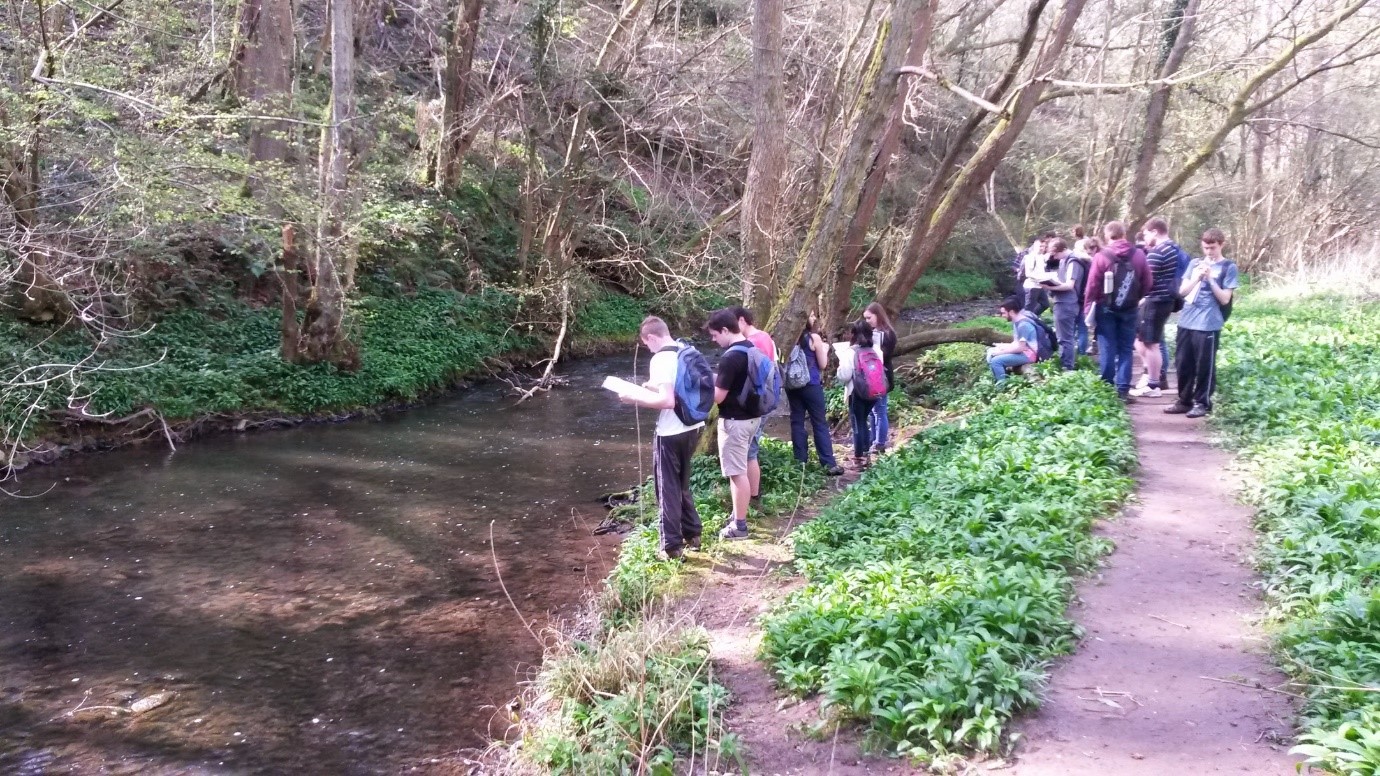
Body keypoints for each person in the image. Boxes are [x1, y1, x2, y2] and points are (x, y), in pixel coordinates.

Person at [618, 317, 704, 560]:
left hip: (670, 432)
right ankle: (693, 534)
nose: (648, 349)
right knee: (682, 483)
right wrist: (652, 387)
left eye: (647, 344)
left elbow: (667, 401)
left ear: (652, 337)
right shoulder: (685, 350)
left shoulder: (660, 359)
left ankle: (671, 547)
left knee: (667, 488)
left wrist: (634, 398)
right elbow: (679, 389)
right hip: (693, 426)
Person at [1165, 228, 1238, 418]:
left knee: (1204, 365)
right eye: (1206, 248)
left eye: (1213, 248)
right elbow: (1182, 292)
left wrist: (1211, 280)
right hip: (1187, 320)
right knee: (1183, 363)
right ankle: (1184, 400)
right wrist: (1197, 277)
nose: (1209, 252)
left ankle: (1202, 403)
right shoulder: (1194, 263)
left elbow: (1225, 299)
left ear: (1221, 245)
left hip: (1208, 323)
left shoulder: (1228, 267)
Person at [706, 308, 764, 540]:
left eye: (714, 335)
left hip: (735, 422)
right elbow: (737, 382)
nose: (714, 340)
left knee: (736, 473)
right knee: (748, 461)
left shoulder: (730, 357)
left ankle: (739, 526)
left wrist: (700, 384)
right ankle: (743, 511)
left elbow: (719, 397)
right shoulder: (751, 348)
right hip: (753, 418)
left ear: (724, 330)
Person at [1082, 220, 1153, 400]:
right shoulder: (1139, 255)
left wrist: (1088, 308)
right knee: (1126, 349)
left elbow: (1092, 285)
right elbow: (1148, 282)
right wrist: (1136, 298)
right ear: (1124, 234)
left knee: (1107, 347)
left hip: (1106, 309)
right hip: (1130, 309)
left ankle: (1107, 388)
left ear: (1107, 236)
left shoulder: (1101, 256)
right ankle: (1123, 390)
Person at [786, 312, 844, 476]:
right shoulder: (814, 338)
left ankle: (800, 463)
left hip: (792, 385)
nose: (814, 318)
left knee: (797, 422)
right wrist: (824, 349)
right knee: (819, 423)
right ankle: (828, 464)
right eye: (811, 315)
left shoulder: (789, 339)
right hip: (811, 385)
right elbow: (823, 364)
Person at [1129, 217, 1181, 398]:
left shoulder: (1158, 252)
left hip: (1156, 300)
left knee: (1151, 343)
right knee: (1142, 339)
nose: (1144, 238)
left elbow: (1146, 279)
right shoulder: (1173, 248)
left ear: (1154, 232)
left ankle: (1153, 385)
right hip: (1163, 300)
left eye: (1146, 234)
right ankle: (1150, 377)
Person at [731, 306, 774, 504]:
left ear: (741, 320)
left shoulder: (754, 341)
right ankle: (753, 496)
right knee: (751, 451)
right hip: (764, 399)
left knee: (750, 452)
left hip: (755, 403)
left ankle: (751, 497)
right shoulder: (765, 336)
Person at [834, 320, 879, 469]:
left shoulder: (850, 352)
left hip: (857, 392)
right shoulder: (876, 350)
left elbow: (844, 376)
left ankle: (860, 456)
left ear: (853, 334)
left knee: (858, 423)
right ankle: (866, 453)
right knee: (864, 420)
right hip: (874, 392)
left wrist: (839, 368)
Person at [1044, 239, 1086, 371]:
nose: (1055, 258)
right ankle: (1066, 365)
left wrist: (1049, 287)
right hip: (1063, 302)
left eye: (1055, 254)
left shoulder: (1073, 261)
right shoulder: (1064, 260)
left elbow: (1069, 285)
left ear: (1061, 250)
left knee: (1065, 338)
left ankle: (1067, 367)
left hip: (1067, 303)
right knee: (1063, 337)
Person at [862, 302, 896, 454]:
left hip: (882, 376)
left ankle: (880, 443)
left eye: (869, 318)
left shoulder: (888, 334)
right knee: (872, 411)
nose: (867, 321)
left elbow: (885, 356)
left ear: (878, 315)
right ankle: (873, 440)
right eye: (865, 318)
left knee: (880, 411)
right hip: (871, 377)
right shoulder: (871, 332)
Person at [986, 296, 1041, 382]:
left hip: (1029, 355)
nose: (1002, 316)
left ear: (1011, 312)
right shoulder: (1016, 322)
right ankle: (1002, 378)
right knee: (991, 351)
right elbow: (1016, 343)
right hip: (1024, 352)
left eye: (1003, 313)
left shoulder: (1023, 325)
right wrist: (1003, 347)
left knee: (996, 361)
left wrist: (1000, 352)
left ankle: (1001, 386)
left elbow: (1021, 348)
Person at [1021, 232, 1058, 316]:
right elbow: (1028, 274)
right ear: (1035, 246)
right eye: (1040, 246)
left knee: (1045, 304)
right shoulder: (1031, 257)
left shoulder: (1041, 256)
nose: (1042, 248)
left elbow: (1042, 268)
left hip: (1039, 285)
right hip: (1031, 286)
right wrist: (1042, 277)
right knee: (1028, 309)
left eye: (1044, 246)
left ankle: (1033, 317)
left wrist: (1049, 276)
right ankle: (1025, 320)